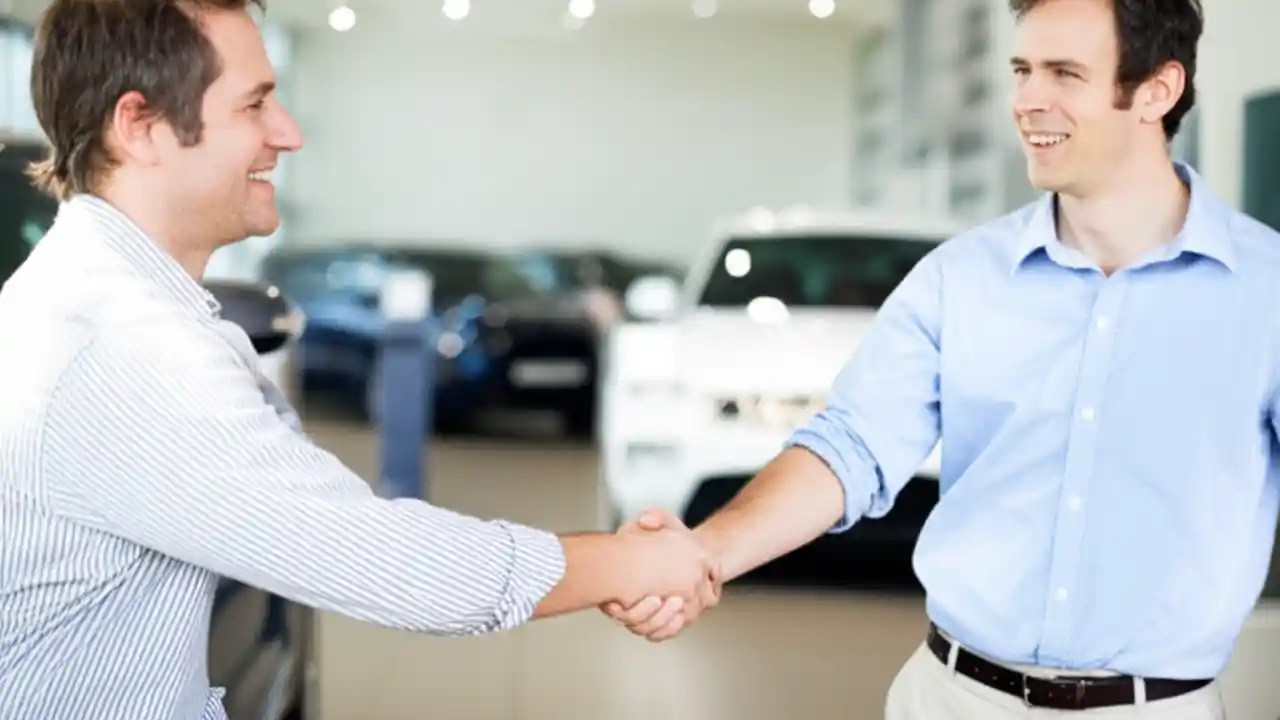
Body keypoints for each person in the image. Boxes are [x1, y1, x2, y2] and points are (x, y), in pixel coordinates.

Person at [0, 1, 718, 718]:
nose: (287, 133)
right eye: (254, 104)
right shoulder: (125, 347)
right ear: (141, 125)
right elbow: (391, 564)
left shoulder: (81, 297)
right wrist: (629, 563)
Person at [607, 0, 1279, 716]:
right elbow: (851, 446)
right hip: (955, 698)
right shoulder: (961, 278)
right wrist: (708, 552)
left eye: (1064, 74)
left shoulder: (1265, 293)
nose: (1027, 102)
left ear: (1157, 90)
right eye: (1022, 70)